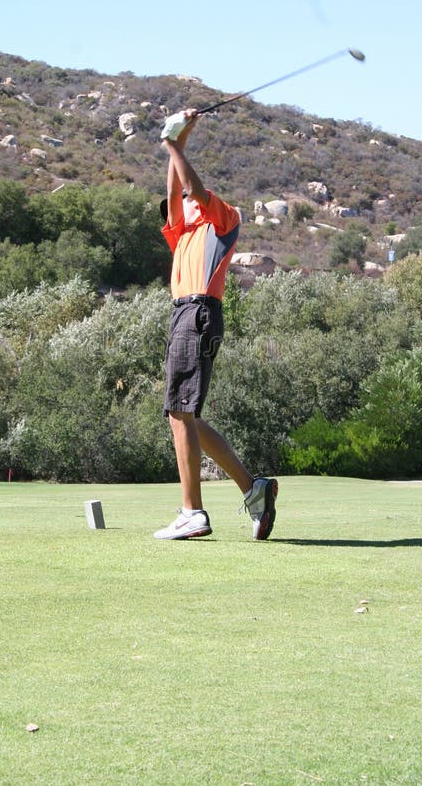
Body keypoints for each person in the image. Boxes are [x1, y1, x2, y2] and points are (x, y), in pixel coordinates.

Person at [154, 108, 278, 541]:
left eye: (192, 199)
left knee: (179, 411)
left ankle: (193, 512)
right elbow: (175, 193)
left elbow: (190, 186)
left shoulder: (224, 218)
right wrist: (177, 144)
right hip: (183, 315)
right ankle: (253, 489)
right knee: (182, 412)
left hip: (199, 312)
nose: (185, 201)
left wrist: (172, 142)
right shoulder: (182, 230)